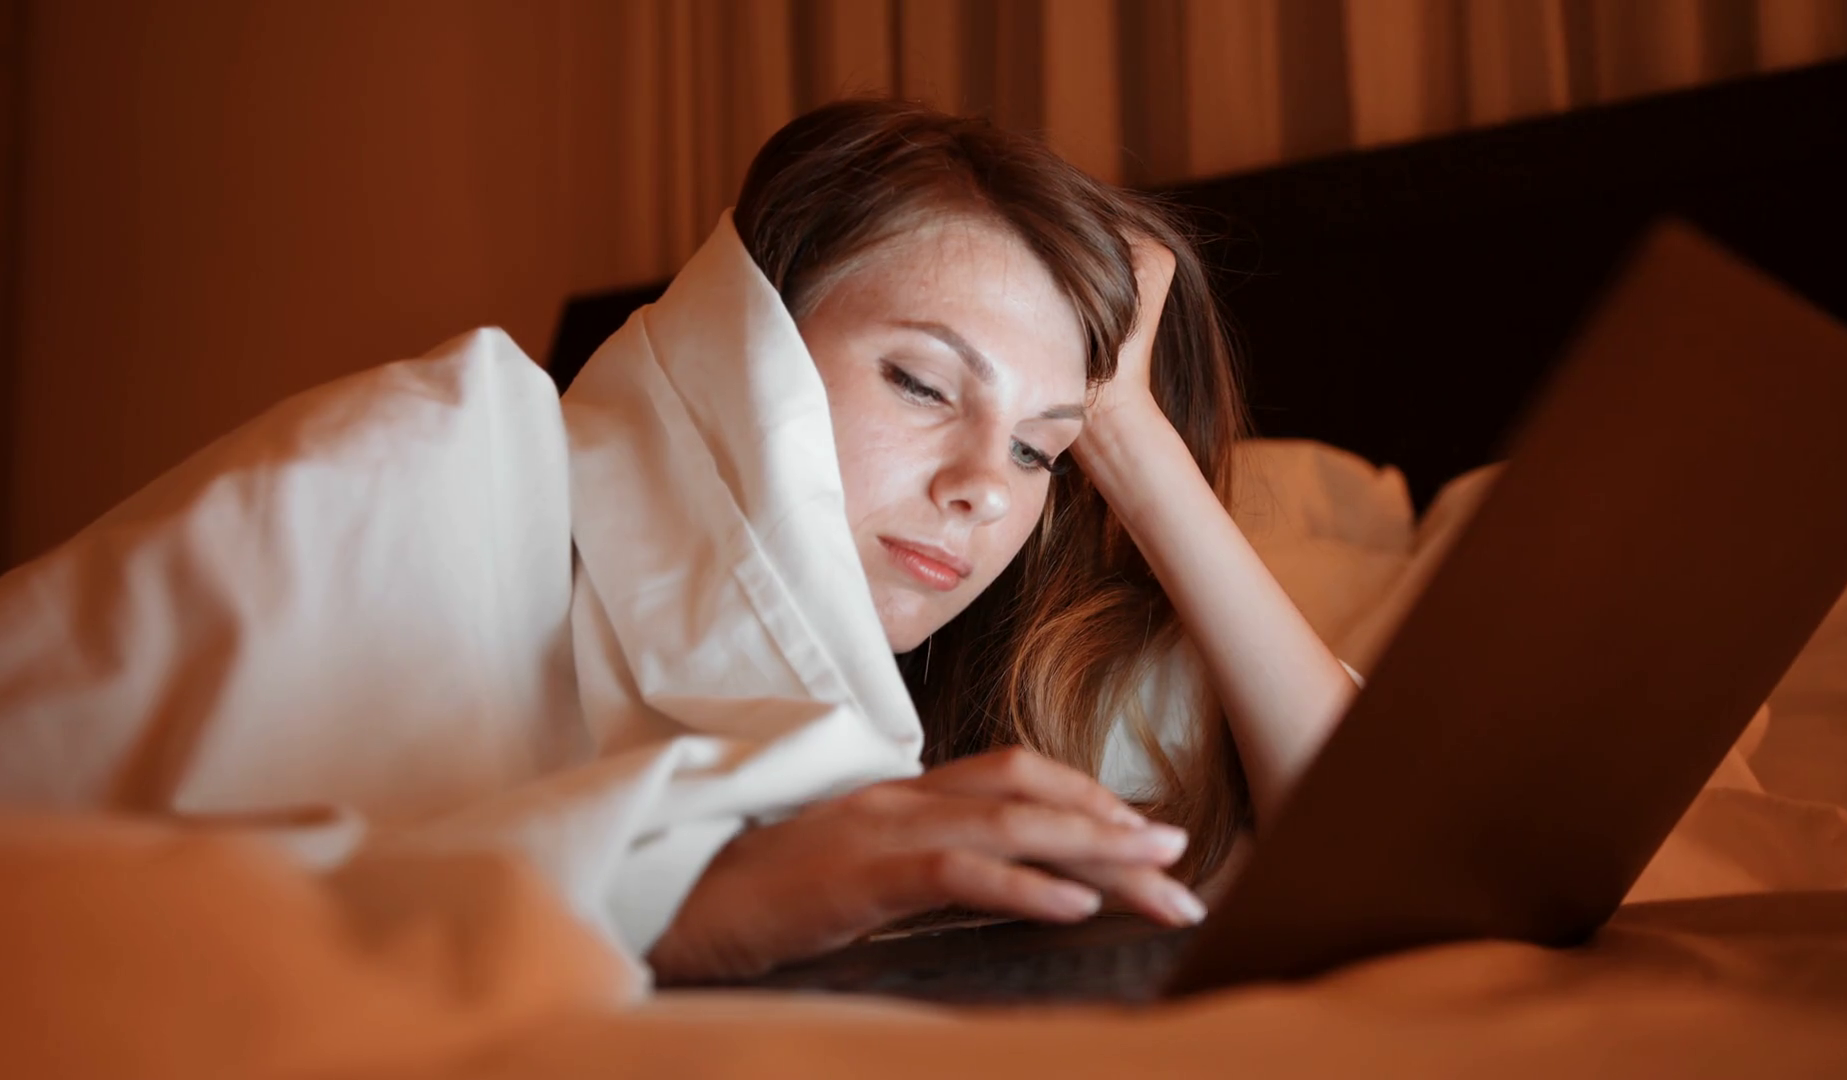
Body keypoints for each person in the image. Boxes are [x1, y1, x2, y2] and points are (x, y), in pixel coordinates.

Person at [0, 99, 1356, 986]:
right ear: (741, 353)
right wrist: (675, 893)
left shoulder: (988, 723)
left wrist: (1130, 436)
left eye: (1037, 449)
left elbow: (1405, 857)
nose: (979, 491)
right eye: (925, 384)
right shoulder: (448, 458)